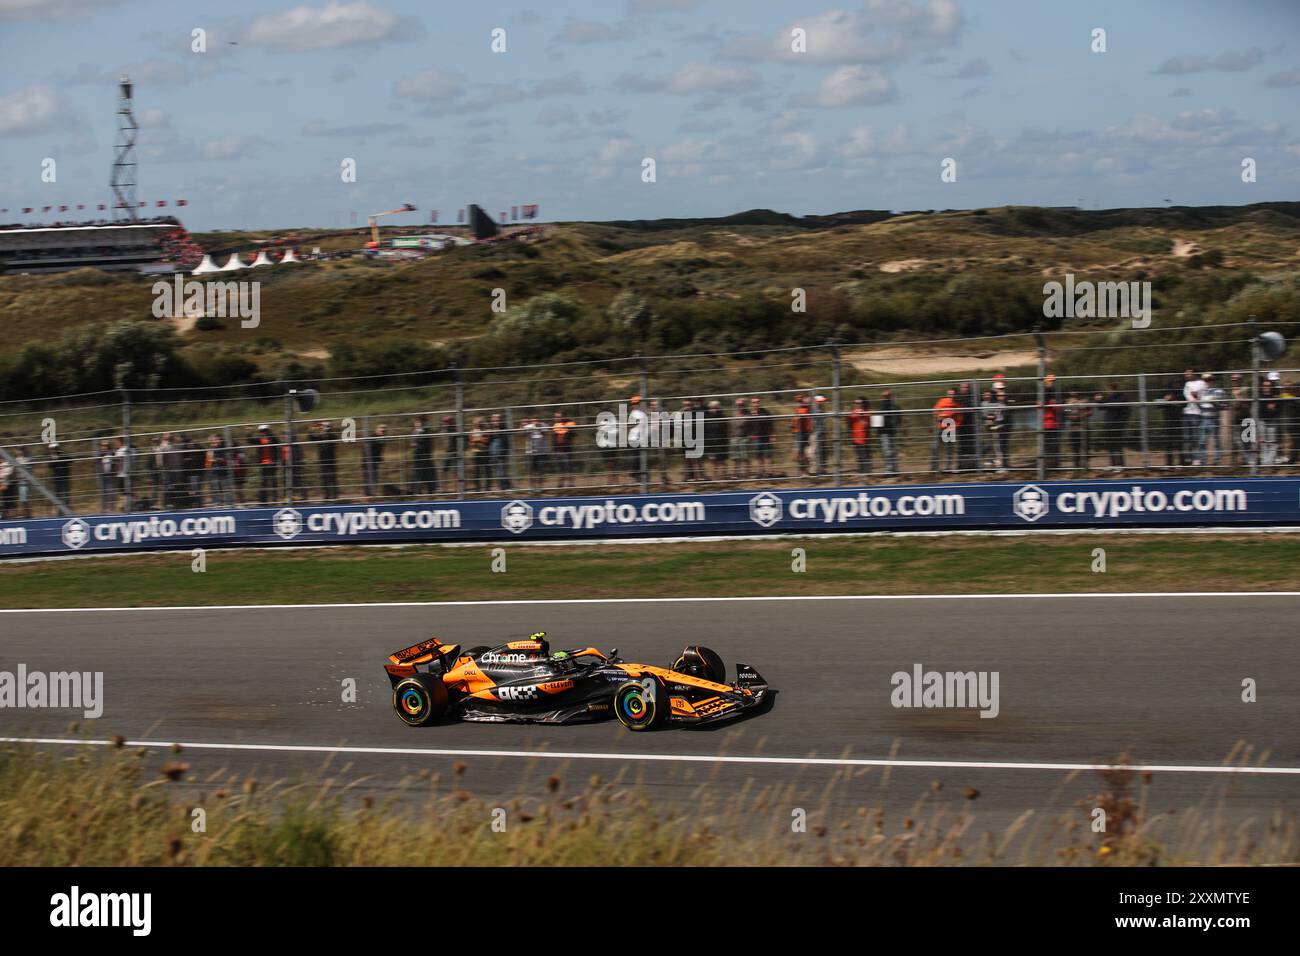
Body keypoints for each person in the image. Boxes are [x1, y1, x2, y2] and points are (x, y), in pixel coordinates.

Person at [1099, 383, 1130, 470]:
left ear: (1113, 389)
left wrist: (1122, 422)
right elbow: (1102, 407)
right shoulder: (1109, 397)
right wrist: (1098, 400)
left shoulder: (1122, 397)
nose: (1108, 392)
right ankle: (1113, 464)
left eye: (1109, 390)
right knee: (1110, 445)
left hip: (1118, 425)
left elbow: (1118, 406)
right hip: (1109, 424)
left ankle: (1120, 465)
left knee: (1118, 445)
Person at [931, 388, 961, 473]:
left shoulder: (957, 404)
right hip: (940, 427)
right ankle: (934, 467)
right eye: (949, 394)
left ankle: (948, 467)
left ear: (955, 395)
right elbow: (935, 410)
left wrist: (956, 426)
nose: (951, 396)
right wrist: (938, 416)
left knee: (949, 448)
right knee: (936, 447)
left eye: (952, 394)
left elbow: (959, 417)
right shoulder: (942, 401)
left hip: (950, 428)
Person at [1182, 368, 1206, 465]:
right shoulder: (1187, 384)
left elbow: (1202, 394)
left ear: (1194, 374)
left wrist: (1196, 397)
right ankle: (1188, 458)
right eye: (1186, 374)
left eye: (1189, 373)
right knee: (1187, 437)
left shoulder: (1201, 383)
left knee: (1196, 436)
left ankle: (1197, 458)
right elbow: (1187, 394)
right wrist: (1194, 398)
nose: (1187, 375)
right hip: (1188, 412)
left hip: (1197, 413)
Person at [981, 389, 1008, 471]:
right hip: (989, 427)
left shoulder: (999, 404)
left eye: (990, 395)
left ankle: (1000, 466)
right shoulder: (984, 404)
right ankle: (994, 463)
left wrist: (994, 418)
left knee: (998, 447)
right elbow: (983, 415)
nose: (988, 396)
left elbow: (1000, 416)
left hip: (997, 427)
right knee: (992, 445)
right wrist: (989, 417)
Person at [410, 415, 436, 496]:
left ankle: (426, 490)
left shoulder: (423, 430)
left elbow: (424, 442)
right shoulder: (418, 431)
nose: (417, 424)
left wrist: (415, 445)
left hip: (423, 454)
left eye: (419, 422)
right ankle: (417, 491)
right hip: (420, 455)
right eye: (417, 422)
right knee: (420, 473)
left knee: (426, 472)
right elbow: (414, 443)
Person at [313, 421, 339, 501]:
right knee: (324, 478)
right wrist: (312, 430)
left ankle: (334, 495)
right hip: (322, 460)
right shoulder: (320, 436)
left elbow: (334, 439)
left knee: (332, 478)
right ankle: (326, 495)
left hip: (331, 460)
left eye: (325, 426)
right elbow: (311, 438)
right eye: (323, 427)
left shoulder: (331, 436)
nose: (323, 428)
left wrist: (327, 431)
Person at [749, 396, 774, 478]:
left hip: (766, 436)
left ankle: (769, 473)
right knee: (758, 456)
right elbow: (749, 426)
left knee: (768, 455)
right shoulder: (751, 414)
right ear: (751, 404)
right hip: (756, 438)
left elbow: (770, 424)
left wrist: (772, 435)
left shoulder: (765, 412)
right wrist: (752, 434)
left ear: (760, 403)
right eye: (754, 402)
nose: (756, 404)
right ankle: (760, 472)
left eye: (757, 402)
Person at [254, 424, 279, 503]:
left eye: (265, 431)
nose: (263, 432)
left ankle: (274, 499)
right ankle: (264, 500)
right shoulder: (259, 439)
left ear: (268, 430)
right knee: (264, 482)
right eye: (262, 431)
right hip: (263, 463)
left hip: (271, 463)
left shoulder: (273, 438)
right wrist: (248, 432)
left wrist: (267, 438)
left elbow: (275, 442)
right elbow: (250, 440)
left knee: (273, 481)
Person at [878, 388, 900, 474]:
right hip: (884, 431)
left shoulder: (893, 406)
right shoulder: (882, 406)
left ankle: (890, 469)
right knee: (888, 450)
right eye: (883, 396)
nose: (884, 397)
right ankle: (892, 468)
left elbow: (896, 419)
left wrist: (886, 422)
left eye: (886, 396)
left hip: (889, 431)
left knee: (889, 450)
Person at [551, 411, 575, 488]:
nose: (556, 418)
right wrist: (554, 448)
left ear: (563, 417)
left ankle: (571, 483)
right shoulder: (555, 425)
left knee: (568, 467)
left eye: (558, 417)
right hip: (558, 450)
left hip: (566, 449)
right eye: (556, 417)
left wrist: (566, 425)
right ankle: (560, 483)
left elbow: (573, 432)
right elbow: (554, 437)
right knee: (560, 468)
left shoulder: (570, 423)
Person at [848, 398, 871, 474]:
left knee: (865, 455)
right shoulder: (852, 413)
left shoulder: (866, 413)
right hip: (855, 437)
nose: (857, 404)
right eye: (855, 403)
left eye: (859, 403)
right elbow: (849, 423)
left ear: (863, 404)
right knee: (859, 455)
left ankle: (867, 472)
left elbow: (866, 425)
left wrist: (860, 416)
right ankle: (861, 470)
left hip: (863, 437)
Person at [363, 424, 387, 498]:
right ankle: (368, 495)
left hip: (374, 461)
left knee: (374, 478)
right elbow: (368, 450)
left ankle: (371, 494)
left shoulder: (381, 438)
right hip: (368, 461)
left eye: (384, 429)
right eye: (381, 428)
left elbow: (378, 450)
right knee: (369, 478)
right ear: (377, 429)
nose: (383, 430)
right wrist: (376, 457)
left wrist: (379, 458)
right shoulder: (373, 437)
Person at [730, 398, 750, 480]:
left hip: (744, 438)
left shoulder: (747, 414)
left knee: (745, 457)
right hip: (734, 437)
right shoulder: (734, 413)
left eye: (741, 405)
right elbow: (731, 425)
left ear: (744, 405)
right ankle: (735, 474)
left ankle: (746, 474)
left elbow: (742, 424)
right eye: (738, 405)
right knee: (735, 458)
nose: (740, 406)